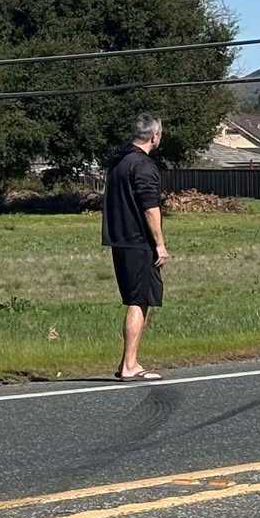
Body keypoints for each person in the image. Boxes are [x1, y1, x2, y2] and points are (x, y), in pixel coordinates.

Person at [103, 113, 169, 380]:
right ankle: (130, 365)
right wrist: (160, 244)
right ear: (154, 136)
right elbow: (150, 208)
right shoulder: (142, 166)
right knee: (138, 301)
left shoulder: (118, 163)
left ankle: (127, 363)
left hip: (120, 239)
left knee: (137, 299)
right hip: (138, 242)